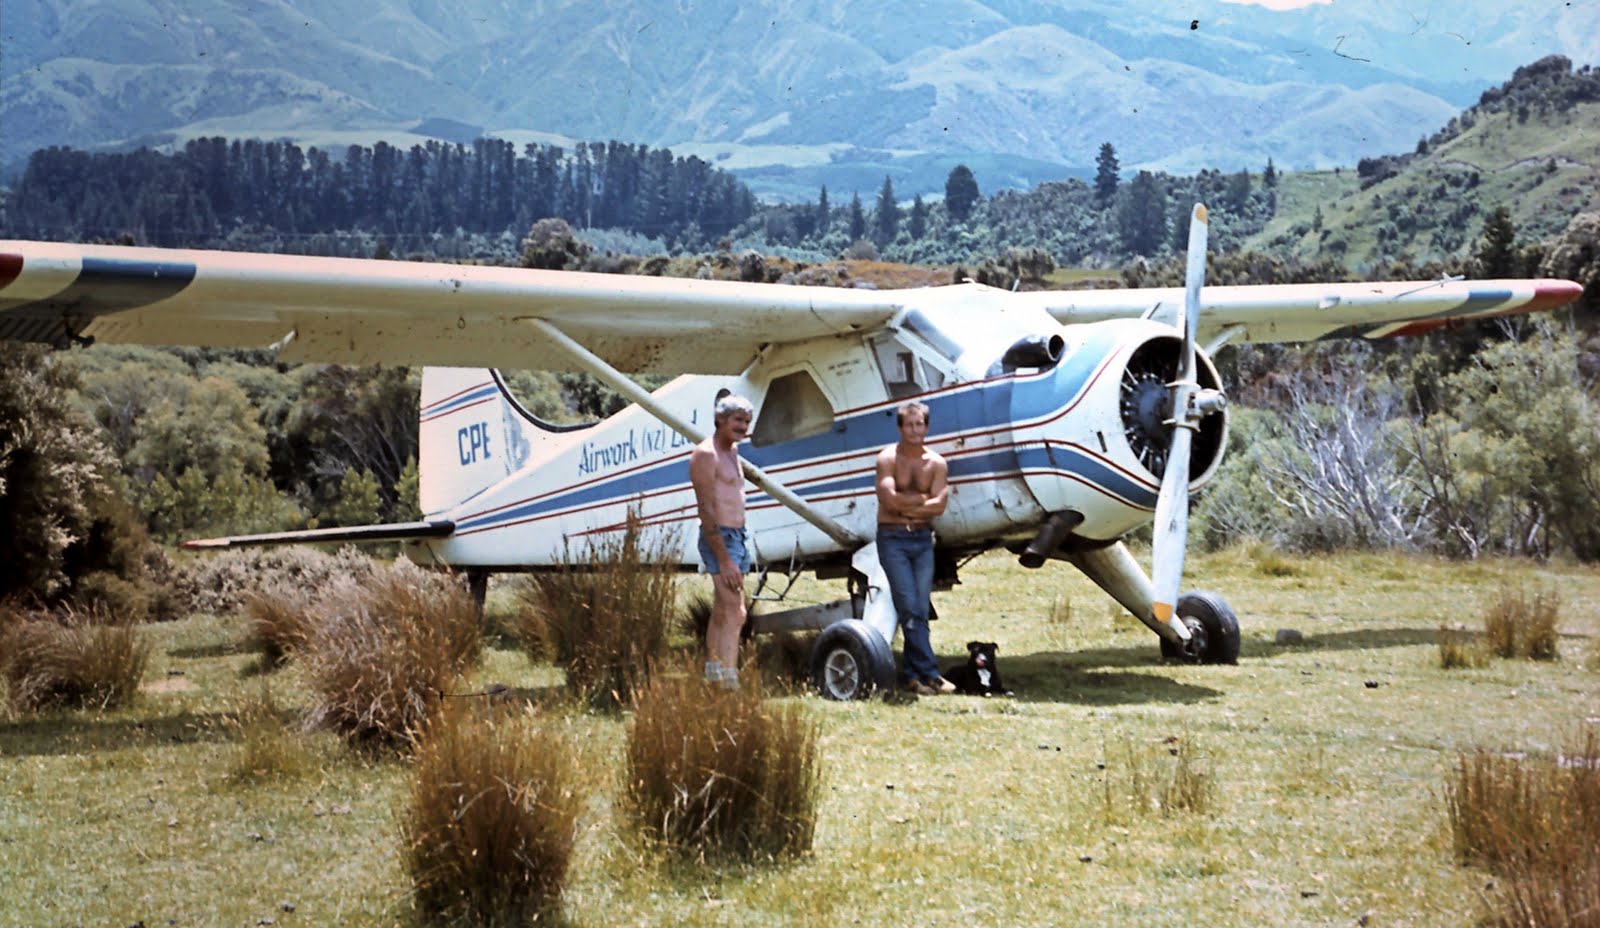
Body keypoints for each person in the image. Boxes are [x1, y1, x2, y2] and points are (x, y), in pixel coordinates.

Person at [875, 400, 953, 696]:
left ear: (927, 427)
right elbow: (889, 501)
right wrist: (921, 504)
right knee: (908, 607)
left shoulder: (936, 463)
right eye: (909, 424)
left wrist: (908, 509)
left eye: (919, 424)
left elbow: (940, 505)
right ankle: (931, 674)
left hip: (922, 541)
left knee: (918, 609)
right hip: (892, 539)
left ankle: (911, 676)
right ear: (900, 428)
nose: (914, 430)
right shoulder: (887, 459)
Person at [689, 393, 755, 689]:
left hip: (738, 535)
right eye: (737, 420)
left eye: (746, 421)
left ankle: (713, 672)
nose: (742, 427)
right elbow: (706, 508)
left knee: (721, 609)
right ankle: (730, 682)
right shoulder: (706, 454)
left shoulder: (733, 451)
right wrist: (725, 559)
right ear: (720, 420)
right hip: (720, 538)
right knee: (736, 612)